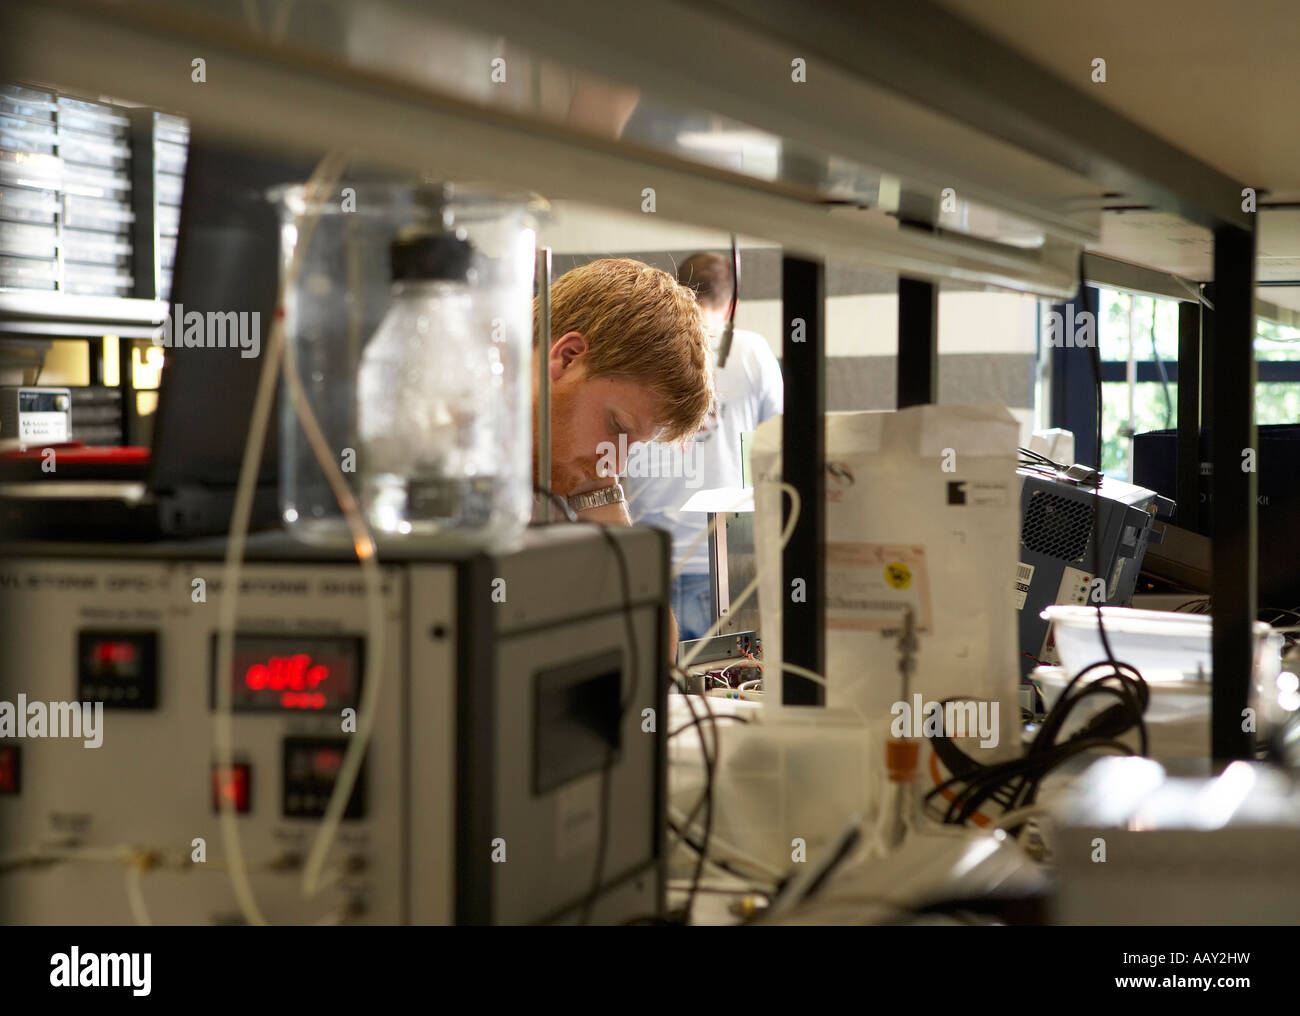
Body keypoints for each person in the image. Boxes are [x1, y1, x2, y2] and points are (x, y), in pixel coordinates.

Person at [533, 257, 716, 651]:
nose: (615, 464)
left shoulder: (568, 481)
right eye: (617, 426)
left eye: (631, 446)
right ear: (566, 358)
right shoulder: (450, 454)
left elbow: (652, 656)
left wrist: (598, 493)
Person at [622, 251, 784, 642]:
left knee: (661, 694)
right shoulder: (753, 353)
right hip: (727, 561)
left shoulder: (641, 348)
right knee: (726, 688)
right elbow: (776, 449)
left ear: (676, 291)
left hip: (645, 560)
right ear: (734, 305)